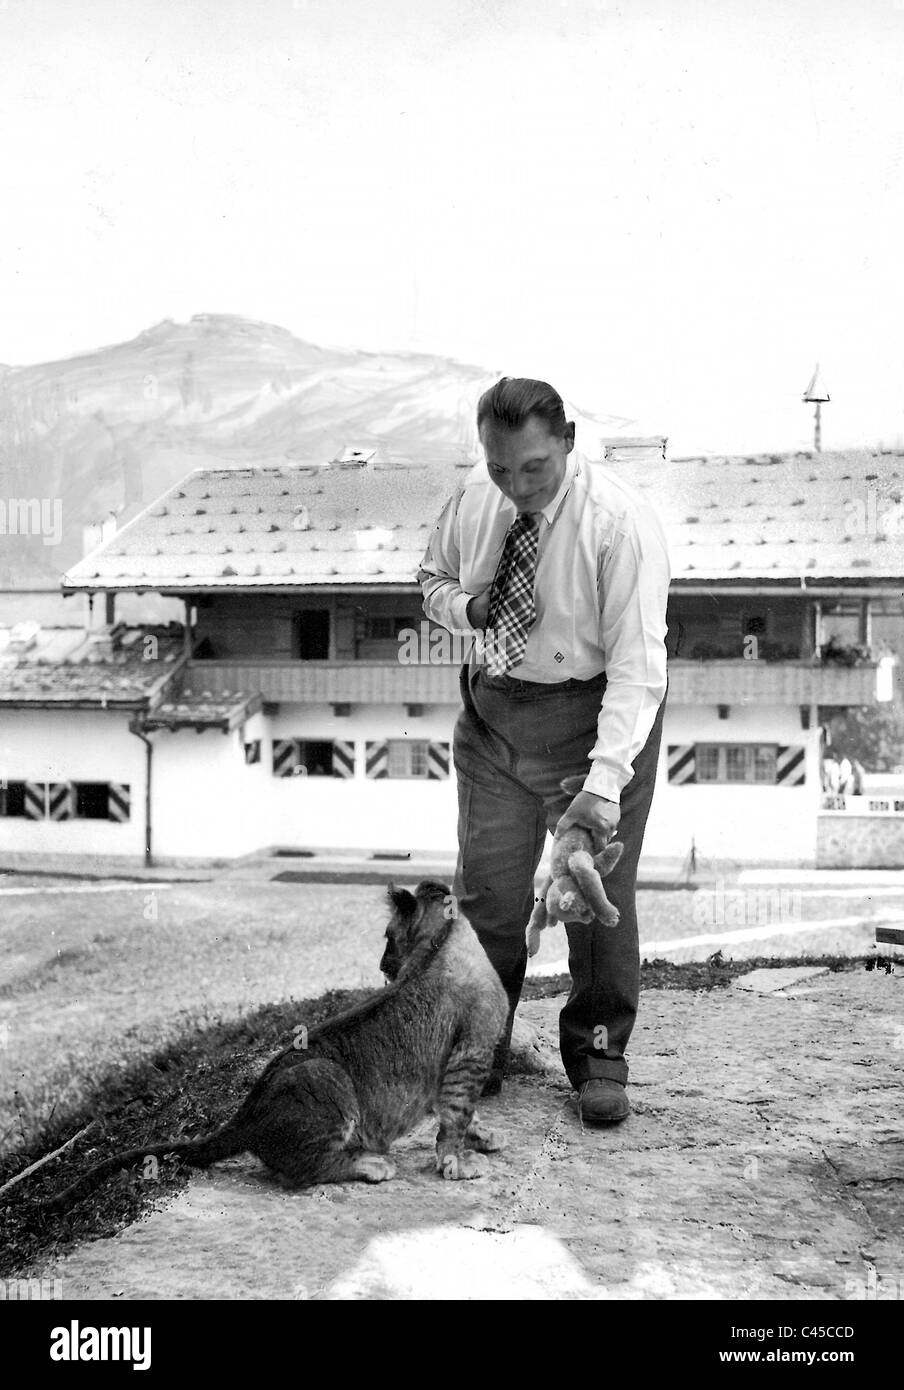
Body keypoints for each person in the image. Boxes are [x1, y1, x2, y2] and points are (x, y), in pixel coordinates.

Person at [418, 377, 670, 1125]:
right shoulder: (472, 500)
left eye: (534, 468)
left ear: (567, 440)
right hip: (494, 718)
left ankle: (598, 1056)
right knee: (489, 896)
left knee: (592, 897)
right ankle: (478, 1051)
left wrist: (602, 786)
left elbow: (638, 671)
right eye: (500, 468)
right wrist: (469, 607)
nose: (517, 486)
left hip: (593, 722)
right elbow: (429, 582)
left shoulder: (619, 523)